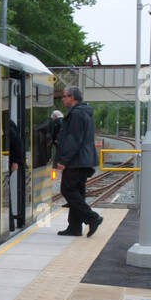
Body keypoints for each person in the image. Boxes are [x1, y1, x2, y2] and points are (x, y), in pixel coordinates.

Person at [54, 85, 103, 237]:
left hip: (76, 160)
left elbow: (73, 139)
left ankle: (92, 218)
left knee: (67, 190)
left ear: (72, 97)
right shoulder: (84, 112)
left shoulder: (75, 114)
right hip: (84, 160)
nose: (62, 99)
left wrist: (63, 160)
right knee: (78, 193)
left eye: (64, 96)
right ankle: (74, 228)